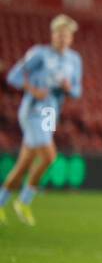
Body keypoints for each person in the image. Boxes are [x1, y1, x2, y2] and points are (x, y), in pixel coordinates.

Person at [1, 14, 83, 226]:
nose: (62, 38)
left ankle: (1, 203)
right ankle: (25, 200)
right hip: (33, 109)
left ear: (71, 38)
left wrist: (68, 89)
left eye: (66, 35)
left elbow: (77, 91)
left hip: (51, 111)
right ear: (52, 35)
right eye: (58, 34)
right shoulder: (40, 54)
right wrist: (32, 89)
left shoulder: (75, 60)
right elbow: (13, 76)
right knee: (49, 155)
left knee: (23, 164)